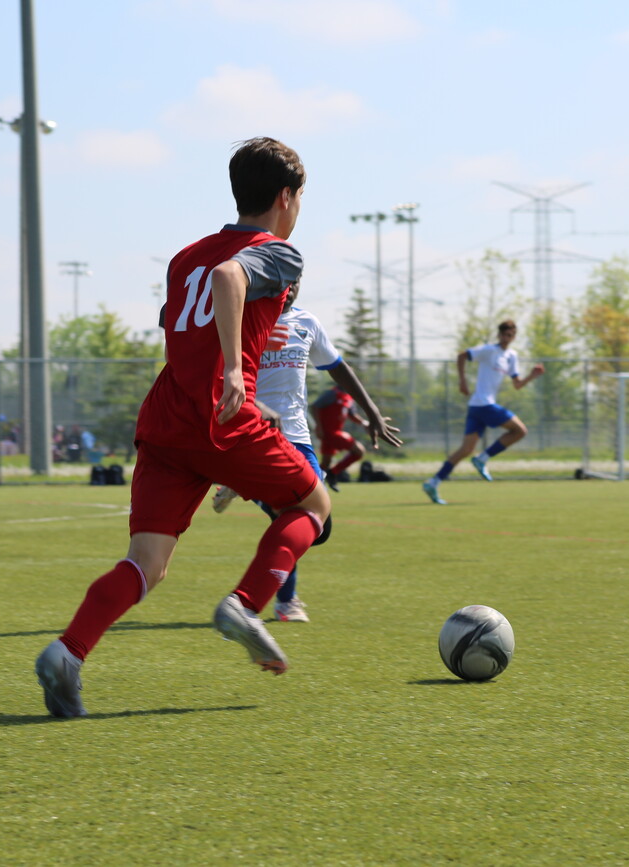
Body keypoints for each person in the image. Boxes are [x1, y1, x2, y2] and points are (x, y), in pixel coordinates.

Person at [35, 137, 325, 718]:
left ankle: (68, 653)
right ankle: (246, 605)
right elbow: (228, 279)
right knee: (312, 507)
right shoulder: (280, 254)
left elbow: (176, 322)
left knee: (146, 563)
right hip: (220, 417)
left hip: (168, 417)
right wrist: (239, 378)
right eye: (300, 199)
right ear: (287, 197)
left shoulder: (184, 254)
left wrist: (221, 375)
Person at [212, 280, 401, 622]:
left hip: (298, 436)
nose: (290, 288)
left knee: (317, 525)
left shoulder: (307, 323)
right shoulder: (242, 321)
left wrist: (371, 411)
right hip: (255, 434)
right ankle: (285, 603)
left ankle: (242, 487)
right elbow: (213, 366)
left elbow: (338, 367)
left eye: (295, 282)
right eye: (283, 282)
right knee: (289, 516)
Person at [422, 319, 544, 505]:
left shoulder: (511, 356)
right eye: (504, 335)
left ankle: (433, 482)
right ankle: (483, 459)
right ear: (499, 335)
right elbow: (462, 356)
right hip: (483, 404)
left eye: (510, 335)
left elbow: (517, 384)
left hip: (479, 406)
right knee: (520, 431)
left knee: (465, 449)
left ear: (514, 336)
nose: (506, 338)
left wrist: (532, 376)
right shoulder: (489, 350)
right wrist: (462, 381)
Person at [311, 385, 369, 490]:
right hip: (329, 433)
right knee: (359, 451)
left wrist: (364, 423)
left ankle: (313, 485)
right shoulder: (332, 394)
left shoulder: (349, 396)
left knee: (325, 463)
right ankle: (332, 473)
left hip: (333, 433)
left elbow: (352, 414)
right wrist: (318, 426)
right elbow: (315, 406)